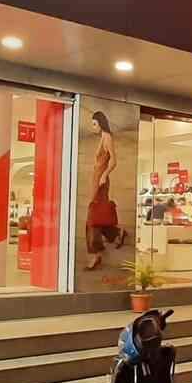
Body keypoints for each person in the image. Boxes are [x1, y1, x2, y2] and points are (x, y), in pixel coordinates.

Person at [85, 111, 127, 270]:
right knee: (98, 215)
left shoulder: (107, 137)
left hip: (101, 181)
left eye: (94, 124)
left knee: (93, 217)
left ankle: (95, 254)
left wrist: (104, 175)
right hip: (96, 179)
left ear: (101, 123)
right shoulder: (103, 136)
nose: (93, 127)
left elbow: (114, 161)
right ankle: (116, 233)